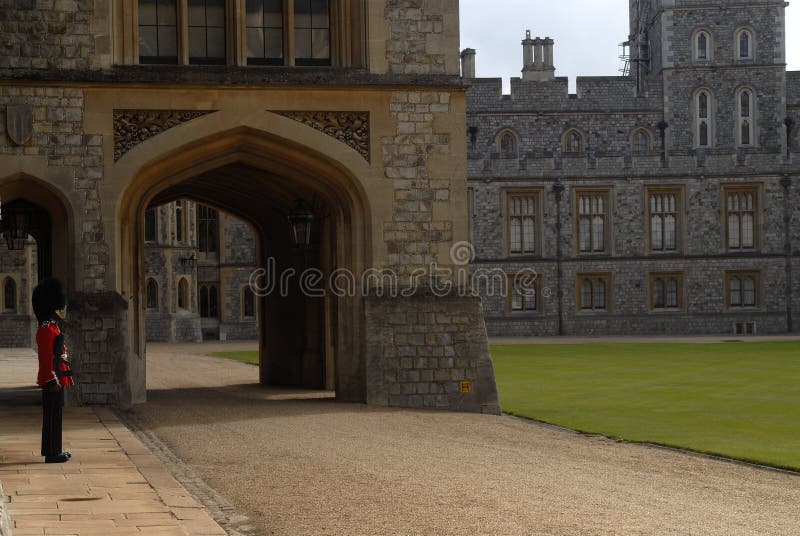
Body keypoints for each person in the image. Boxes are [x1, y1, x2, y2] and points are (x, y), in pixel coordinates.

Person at [32, 278, 74, 464]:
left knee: (55, 416)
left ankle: (54, 449)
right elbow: (45, 358)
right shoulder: (46, 329)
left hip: (57, 377)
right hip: (52, 380)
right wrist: (51, 379)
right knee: (51, 417)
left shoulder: (51, 327)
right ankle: (51, 453)